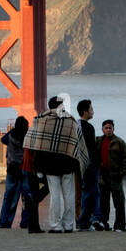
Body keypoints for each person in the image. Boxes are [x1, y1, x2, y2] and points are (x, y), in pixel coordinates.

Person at [25, 96, 87, 233]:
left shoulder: (41, 120)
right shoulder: (71, 121)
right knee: (69, 195)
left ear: (50, 105)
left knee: (55, 195)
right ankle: (69, 225)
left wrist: (38, 167)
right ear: (61, 105)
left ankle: (56, 226)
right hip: (68, 163)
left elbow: (36, 145)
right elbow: (78, 144)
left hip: (50, 164)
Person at [0, 116, 40, 231]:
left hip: (11, 170)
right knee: (26, 198)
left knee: (9, 198)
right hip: (24, 170)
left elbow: (3, 140)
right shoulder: (26, 138)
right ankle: (25, 222)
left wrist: (12, 129)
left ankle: (4, 222)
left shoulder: (11, 137)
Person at [96, 119, 126, 231]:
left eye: (110, 128)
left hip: (115, 176)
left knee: (119, 202)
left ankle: (120, 225)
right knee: (103, 203)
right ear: (102, 129)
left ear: (113, 129)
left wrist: (122, 173)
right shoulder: (98, 141)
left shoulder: (119, 142)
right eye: (106, 128)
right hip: (102, 176)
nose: (108, 130)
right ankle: (104, 223)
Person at [76, 99, 102, 230]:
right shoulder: (88, 127)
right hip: (90, 164)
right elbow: (91, 148)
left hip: (83, 164)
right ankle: (85, 222)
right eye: (91, 109)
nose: (93, 111)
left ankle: (92, 219)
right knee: (90, 192)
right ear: (85, 112)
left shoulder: (77, 126)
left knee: (91, 192)